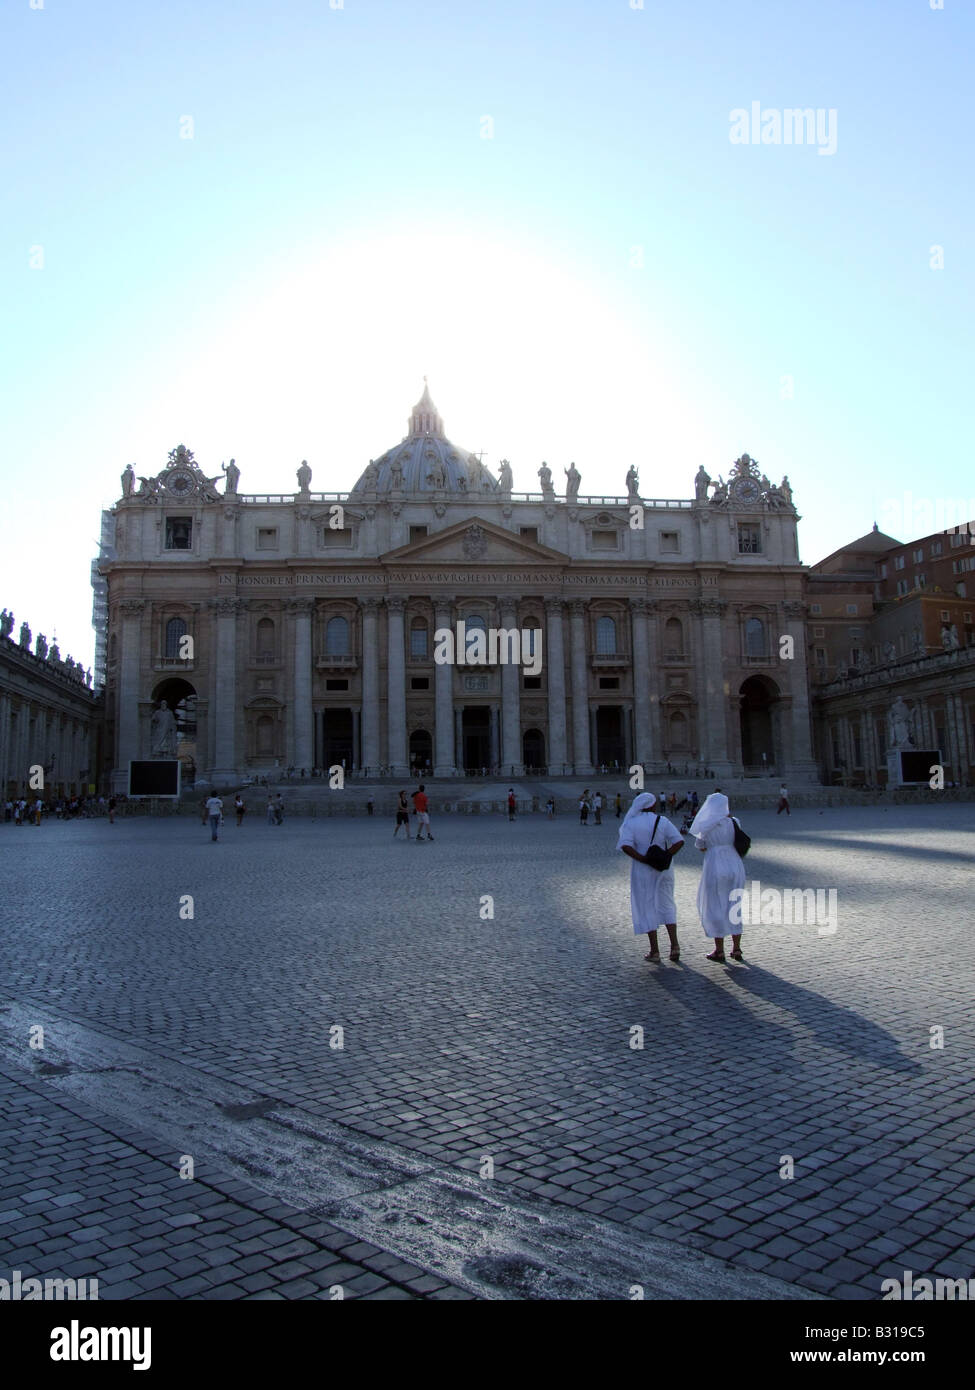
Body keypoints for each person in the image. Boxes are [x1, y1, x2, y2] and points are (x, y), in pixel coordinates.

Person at [617, 792, 684, 962]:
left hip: (642, 870)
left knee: (647, 906)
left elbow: (625, 846)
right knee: (667, 903)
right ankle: (674, 945)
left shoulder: (631, 823)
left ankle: (655, 951)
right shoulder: (663, 821)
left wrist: (644, 859)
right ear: (653, 805)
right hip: (663, 869)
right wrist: (665, 856)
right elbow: (679, 841)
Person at [688, 792, 747, 963]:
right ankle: (736, 948)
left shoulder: (706, 825)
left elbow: (700, 846)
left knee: (715, 905)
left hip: (715, 864)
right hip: (735, 864)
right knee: (734, 905)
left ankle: (719, 950)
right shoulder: (734, 822)